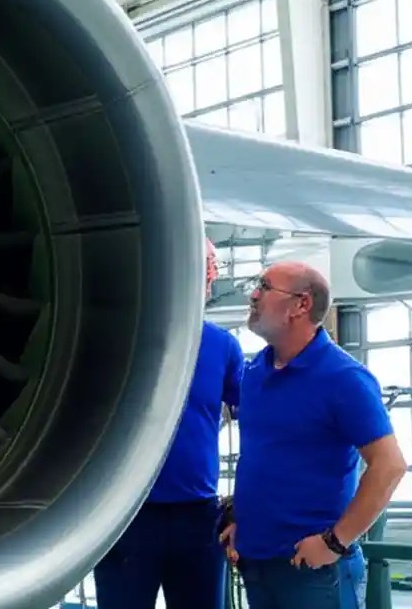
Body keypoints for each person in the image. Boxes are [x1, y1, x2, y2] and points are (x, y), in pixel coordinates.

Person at [220, 261, 407, 609]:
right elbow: (264, 458)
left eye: (265, 286)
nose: (253, 295)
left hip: (314, 571)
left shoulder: (344, 378)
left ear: (301, 304)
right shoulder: (255, 373)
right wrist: (239, 517)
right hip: (256, 563)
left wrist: (335, 542)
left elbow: (390, 466)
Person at [95, 237, 244, 608]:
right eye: (206, 265)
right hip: (125, 514)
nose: (211, 276)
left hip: (198, 517)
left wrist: (246, 503)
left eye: (213, 266)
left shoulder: (222, 346)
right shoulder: (118, 339)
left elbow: (261, 426)